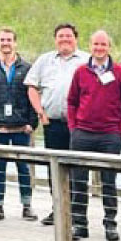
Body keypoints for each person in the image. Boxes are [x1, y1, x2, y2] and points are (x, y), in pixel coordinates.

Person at [66, 30, 121, 241]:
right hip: (82, 134)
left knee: (109, 182)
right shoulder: (81, 72)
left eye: (103, 44)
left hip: (109, 135)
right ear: (90, 46)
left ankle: (110, 224)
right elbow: (72, 101)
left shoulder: (120, 72)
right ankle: (79, 224)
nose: (99, 48)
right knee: (78, 181)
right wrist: (73, 128)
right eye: (96, 44)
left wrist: (120, 130)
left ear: (109, 47)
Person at [26, 23, 90, 226]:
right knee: (54, 167)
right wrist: (40, 112)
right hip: (52, 123)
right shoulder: (45, 60)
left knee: (78, 168)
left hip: (79, 125)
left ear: (76, 38)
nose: (65, 39)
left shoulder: (87, 60)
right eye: (61, 36)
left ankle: (77, 213)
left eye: (68, 36)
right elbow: (31, 87)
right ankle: (58, 209)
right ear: (55, 39)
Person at [0, 27, 37, 223]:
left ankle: (27, 206)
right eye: (2, 40)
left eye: (9, 40)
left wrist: (32, 122)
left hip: (21, 128)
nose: (6, 43)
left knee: (23, 168)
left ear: (15, 43)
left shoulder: (26, 68)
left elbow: (33, 96)